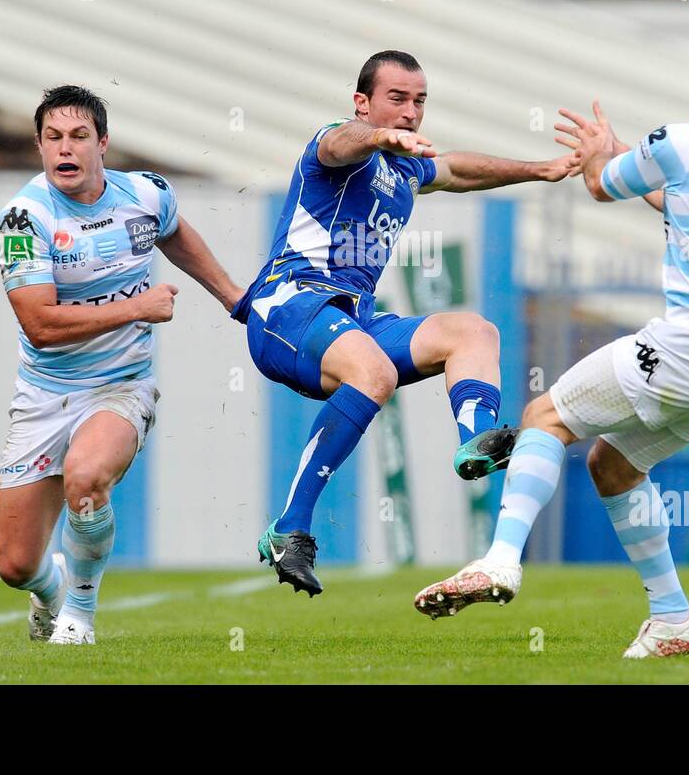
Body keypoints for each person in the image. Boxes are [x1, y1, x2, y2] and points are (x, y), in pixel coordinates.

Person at [415, 31, 689, 659]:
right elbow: (680, 199)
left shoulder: (678, 141)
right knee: (613, 465)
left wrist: (599, 153)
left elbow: (600, 186)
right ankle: (674, 617)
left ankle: (500, 561)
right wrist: (620, 152)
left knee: (545, 416)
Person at [231, 49, 581, 596]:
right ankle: (289, 527)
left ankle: (474, 444)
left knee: (474, 331)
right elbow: (341, 141)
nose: (410, 112)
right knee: (374, 373)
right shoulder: (337, 146)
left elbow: (459, 169)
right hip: (289, 305)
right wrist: (376, 137)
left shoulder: (408, 167)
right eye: (396, 99)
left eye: (419, 101)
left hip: (351, 317)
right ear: (362, 102)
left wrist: (539, 169)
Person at [0, 85, 242, 644]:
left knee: (87, 478)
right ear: (38, 146)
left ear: (102, 144)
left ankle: (79, 617)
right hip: (44, 395)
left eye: (79, 136)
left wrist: (231, 295)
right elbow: (39, 323)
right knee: (15, 566)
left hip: (120, 386)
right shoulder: (22, 219)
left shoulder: (144, 195)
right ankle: (51, 590)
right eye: (53, 137)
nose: (66, 148)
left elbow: (175, 233)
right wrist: (139, 307)